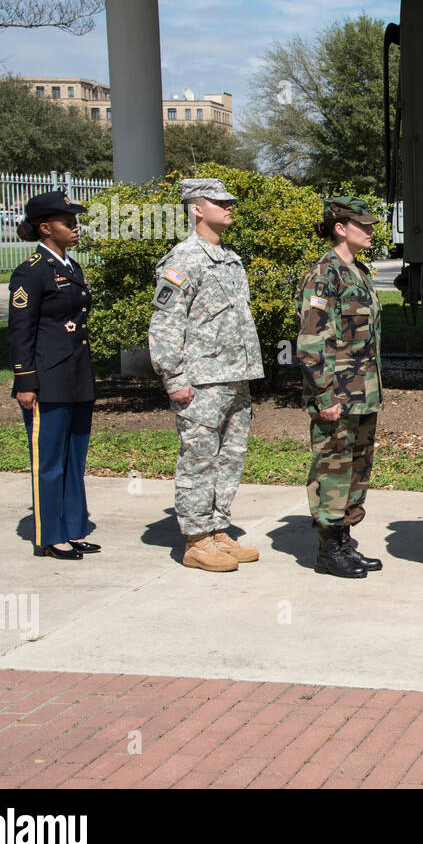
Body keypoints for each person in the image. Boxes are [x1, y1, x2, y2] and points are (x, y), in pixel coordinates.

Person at [148, 178, 264, 573]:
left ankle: (217, 530)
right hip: (200, 381)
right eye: (219, 202)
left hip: (234, 377)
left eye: (230, 200)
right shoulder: (184, 259)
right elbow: (165, 324)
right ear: (197, 208)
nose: (229, 206)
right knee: (198, 459)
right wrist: (174, 378)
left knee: (230, 458)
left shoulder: (229, 257)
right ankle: (196, 539)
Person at [294, 197, 386, 579]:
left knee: (356, 468)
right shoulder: (323, 275)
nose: (369, 231)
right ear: (339, 228)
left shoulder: (359, 272)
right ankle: (328, 549)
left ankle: (344, 539)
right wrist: (325, 396)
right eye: (361, 225)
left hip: (363, 393)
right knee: (332, 467)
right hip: (337, 394)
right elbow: (311, 341)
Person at [7, 190, 100, 560]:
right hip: (47, 379)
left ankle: (74, 528)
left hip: (77, 377)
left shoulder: (71, 267)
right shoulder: (30, 272)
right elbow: (20, 331)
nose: (75, 228)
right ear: (45, 228)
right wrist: (25, 381)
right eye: (68, 223)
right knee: (49, 460)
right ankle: (50, 535)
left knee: (75, 458)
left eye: (76, 222)